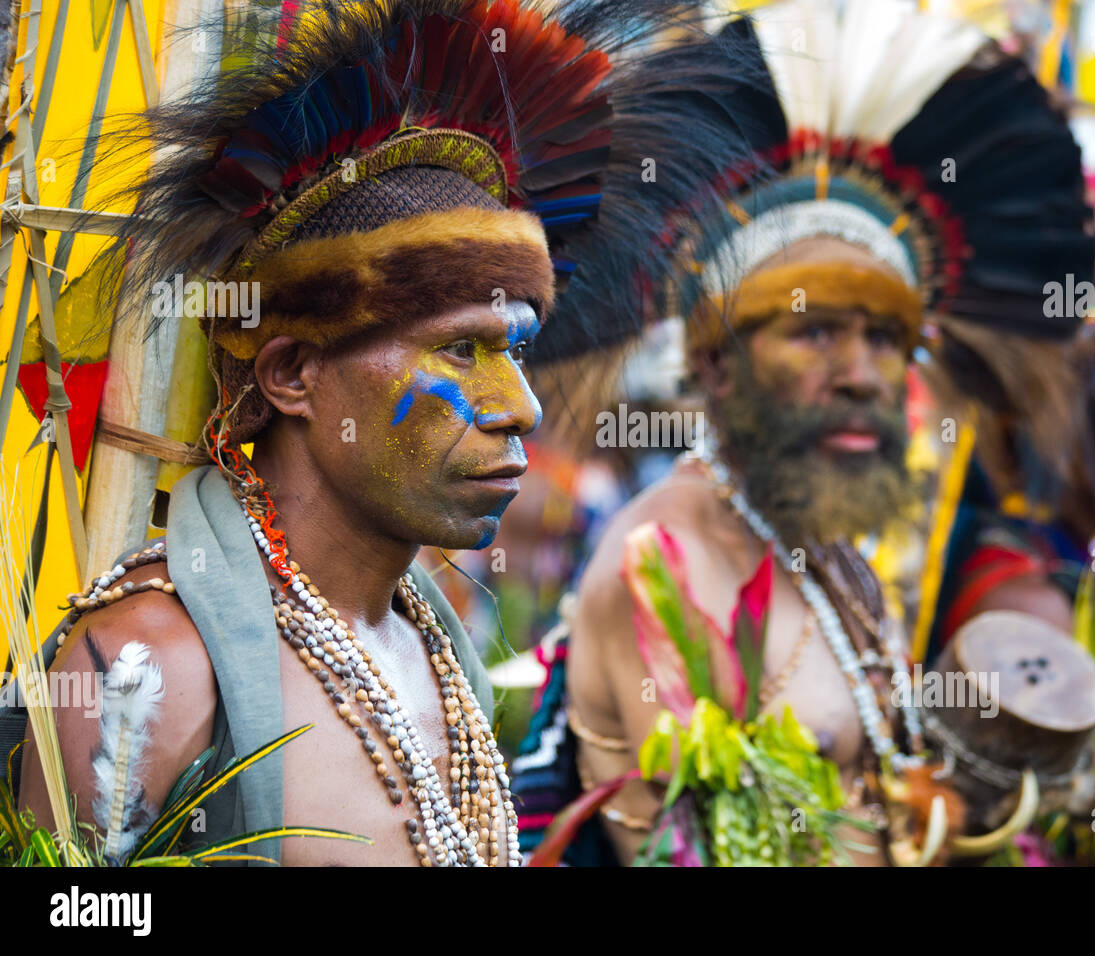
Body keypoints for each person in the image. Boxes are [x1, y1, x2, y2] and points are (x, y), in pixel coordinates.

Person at [15, 0, 732, 867]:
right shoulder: (148, 665)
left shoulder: (424, 645)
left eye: (516, 348)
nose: (520, 406)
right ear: (291, 375)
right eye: (460, 350)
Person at [516, 0, 1095, 864]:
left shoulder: (836, 562)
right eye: (816, 332)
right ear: (715, 363)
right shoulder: (663, 563)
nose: (862, 375)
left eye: (885, 339)